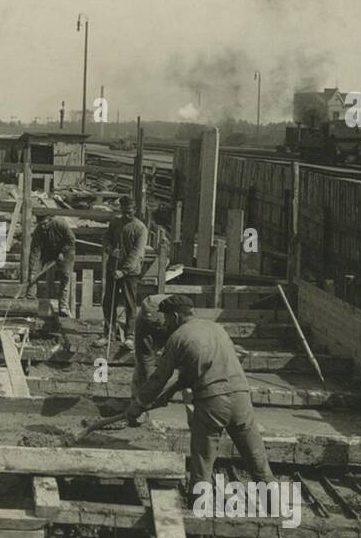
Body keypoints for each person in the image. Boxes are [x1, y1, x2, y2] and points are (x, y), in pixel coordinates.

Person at [126, 294, 275, 485]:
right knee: (257, 459)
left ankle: (200, 509)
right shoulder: (216, 328)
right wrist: (171, 392)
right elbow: (199, 369)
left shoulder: (178, 337)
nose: (166, 324)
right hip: (241, 398)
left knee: (203, 463)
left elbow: (158, 378)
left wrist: (138, 404)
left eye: (167, 318)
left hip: (212, 403)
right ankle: (275, 506)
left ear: (175, 316)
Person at [102, 195, 148, 343]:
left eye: (130, 211)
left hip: (130, 273)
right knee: (109, 302)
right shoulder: (115, 223)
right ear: (121, 209)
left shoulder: (140, 228)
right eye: (125, 211)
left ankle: (129, 335)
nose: (128, 214)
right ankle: (109, 333)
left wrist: (124, 271)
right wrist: (110, 249)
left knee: (130, 303)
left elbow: (136, 253)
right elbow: (106, 238)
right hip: (113, 268)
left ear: (135, 210)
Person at [26, 214, 76, 317]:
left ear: (49, 220)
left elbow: (71, 240)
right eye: (41, 225)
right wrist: (33, 272)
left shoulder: (60, 223)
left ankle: (63, 306)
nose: (43, 227)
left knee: (65, 276)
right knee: (34, 271)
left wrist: (62, 252)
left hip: (66, 251)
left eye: (45, 224)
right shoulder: (38, 231)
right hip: (49, 252)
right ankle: (30, 300)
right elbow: (35, 252)